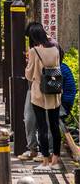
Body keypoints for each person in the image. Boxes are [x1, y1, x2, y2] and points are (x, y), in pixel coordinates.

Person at [24, 23, 62, 168]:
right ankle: (56, 159)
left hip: (39, 94)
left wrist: (29, 64)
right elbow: (57, 68)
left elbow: (29, 74)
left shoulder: (34, 51)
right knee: (54, 125)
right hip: (54, 92)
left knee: (42, 126)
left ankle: (45, 160)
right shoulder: (55, 49)